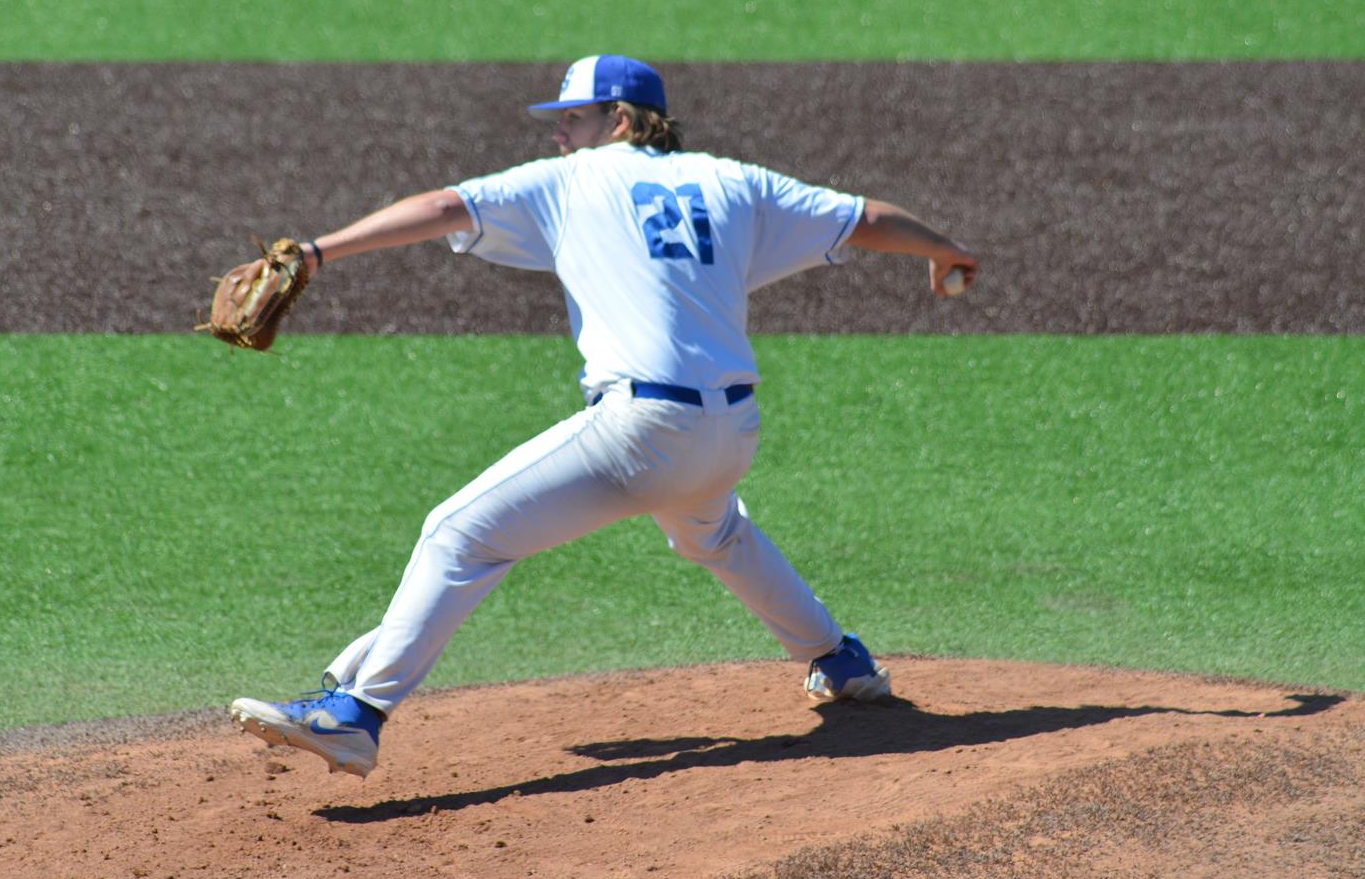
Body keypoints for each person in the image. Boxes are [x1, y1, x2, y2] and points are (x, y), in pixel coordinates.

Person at [230, 55, 979, 777]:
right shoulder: (734, 180)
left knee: (457, 534)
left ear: (620, 119)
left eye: (573, 118)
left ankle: (356, 712)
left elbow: (444, 208)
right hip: (732, 432)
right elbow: (863, 216)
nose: (559, 134)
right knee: (715, 532)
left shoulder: (573, 177)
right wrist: (944, 250)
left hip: (643, 429)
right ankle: (838, 659)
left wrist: (319, 252)